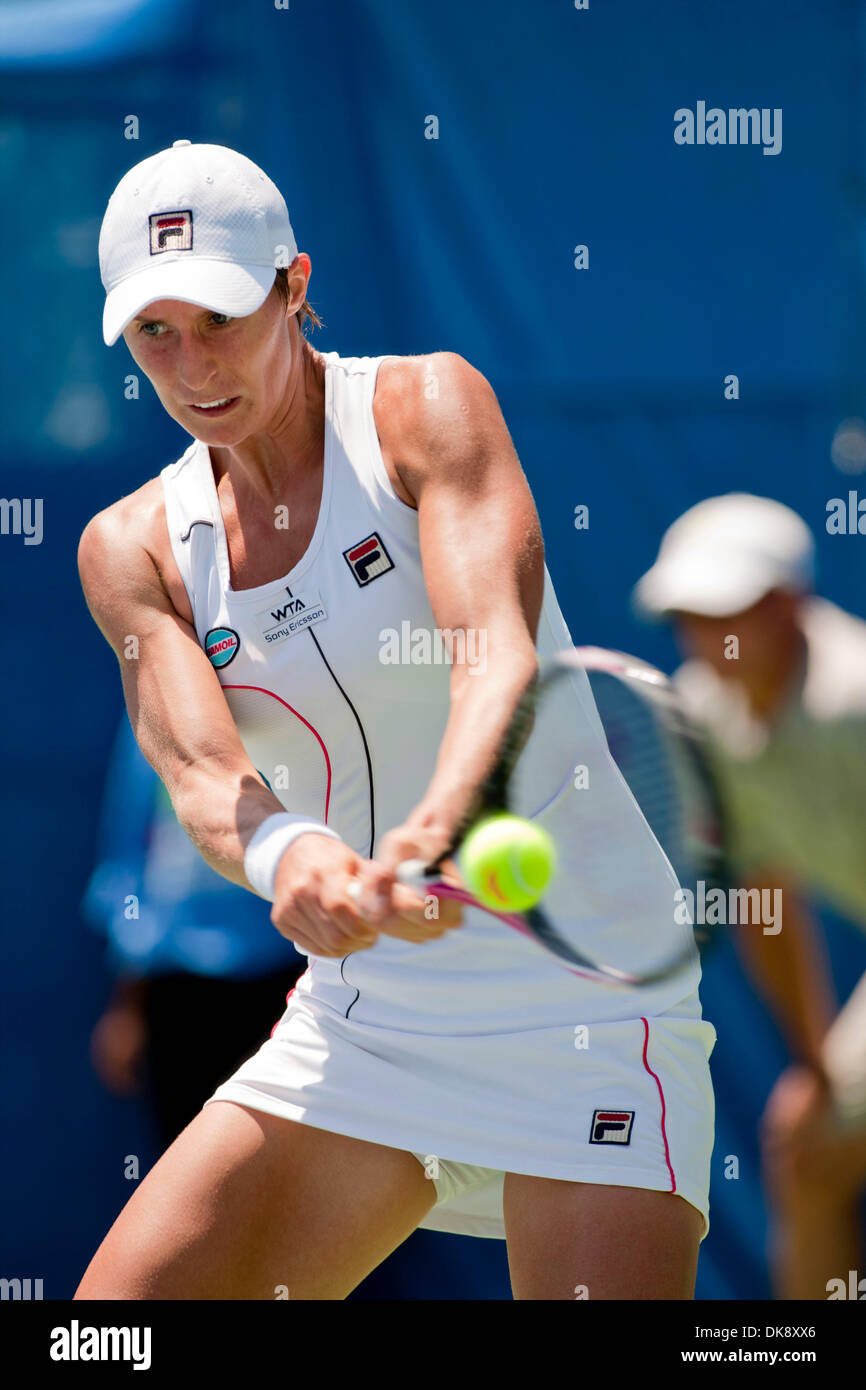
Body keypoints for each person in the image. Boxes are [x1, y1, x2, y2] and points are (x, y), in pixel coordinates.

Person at [74, 139, 716, 1301]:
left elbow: (493, 655)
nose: (191, 363)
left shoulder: (426, 406)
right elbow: (201, 771)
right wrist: (293, 852)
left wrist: (429, 830)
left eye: (218, 315)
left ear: (293, 284)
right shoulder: (130, 549)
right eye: (153, 333)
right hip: (368, 1020)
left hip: (584, 1004)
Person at [634, 493, 866, 1300]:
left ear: (791, 604)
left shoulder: (856, 702)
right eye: (689, 616)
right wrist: (819, 1070)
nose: (708, 638)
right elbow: (768, 896)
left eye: (728, 611)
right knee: (806, 1147)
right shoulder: (703, 711)